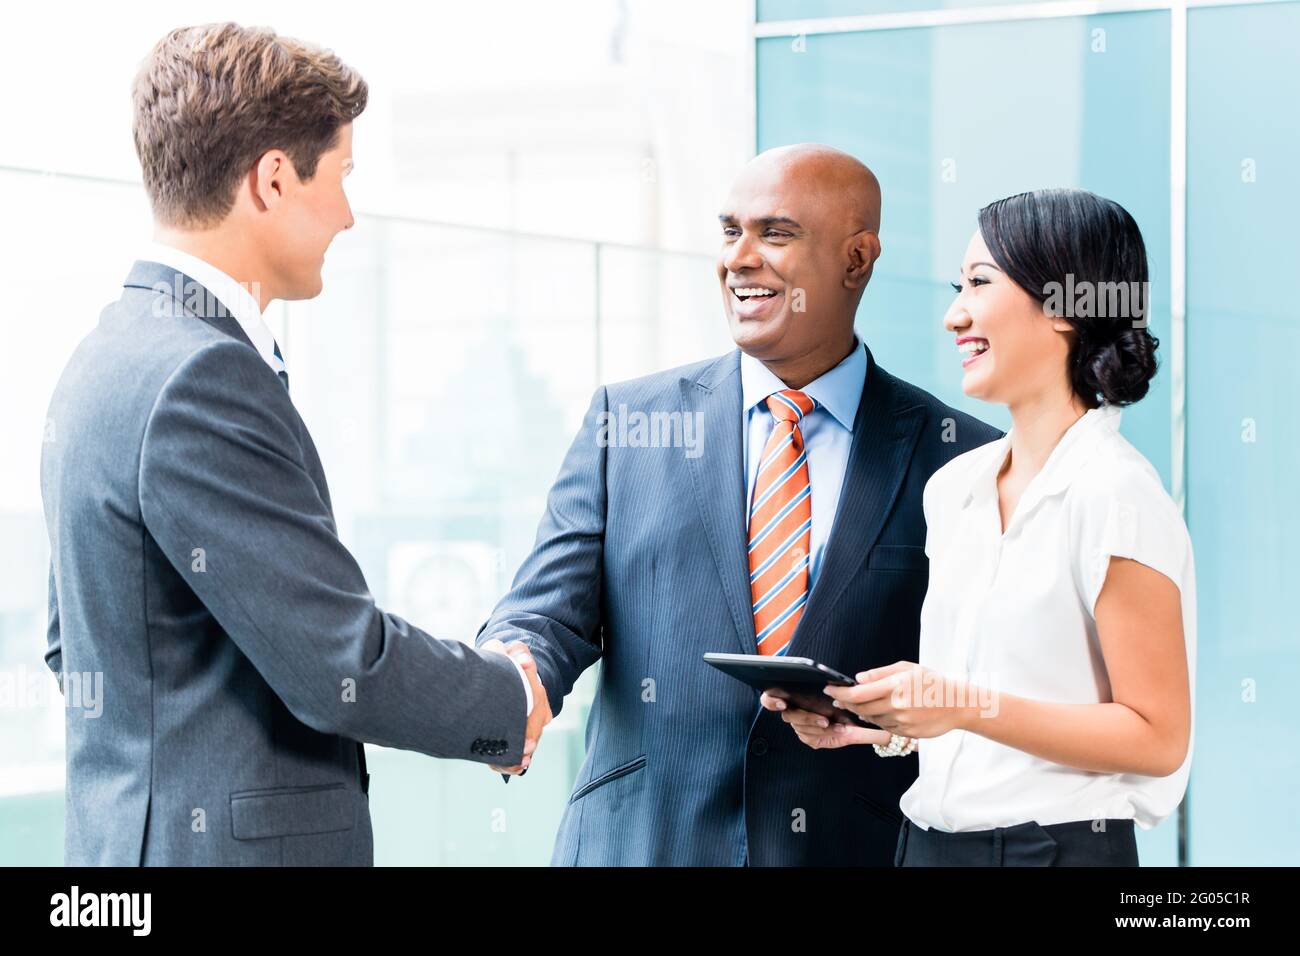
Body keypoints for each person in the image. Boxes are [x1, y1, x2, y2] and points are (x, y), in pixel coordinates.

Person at [39, 22, 550, 866]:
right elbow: (339, 662)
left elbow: (75, 645)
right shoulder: (202, 376)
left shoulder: (107, 355)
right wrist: (506, 700)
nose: (348, 216)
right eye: (342, 177)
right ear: (273, 179)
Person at [476, 144, 1001, 866]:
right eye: (729, 232)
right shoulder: (625, 422)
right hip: (642, 843)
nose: (740, 258)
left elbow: (990, 685)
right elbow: (546, 612)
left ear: (857, 260)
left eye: (776, 234)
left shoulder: (964, 457)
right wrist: (515, 673)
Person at [763, 188, 1195, 867]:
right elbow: (983, 704)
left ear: (1065, 307)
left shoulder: (1117, 495)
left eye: (979, 284)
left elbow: (1155, 737)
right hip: (928, 848)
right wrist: (878, 725)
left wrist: (959, 705)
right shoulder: (956, 489)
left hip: (1052, 853)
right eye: (956, 286)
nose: (953, 315)